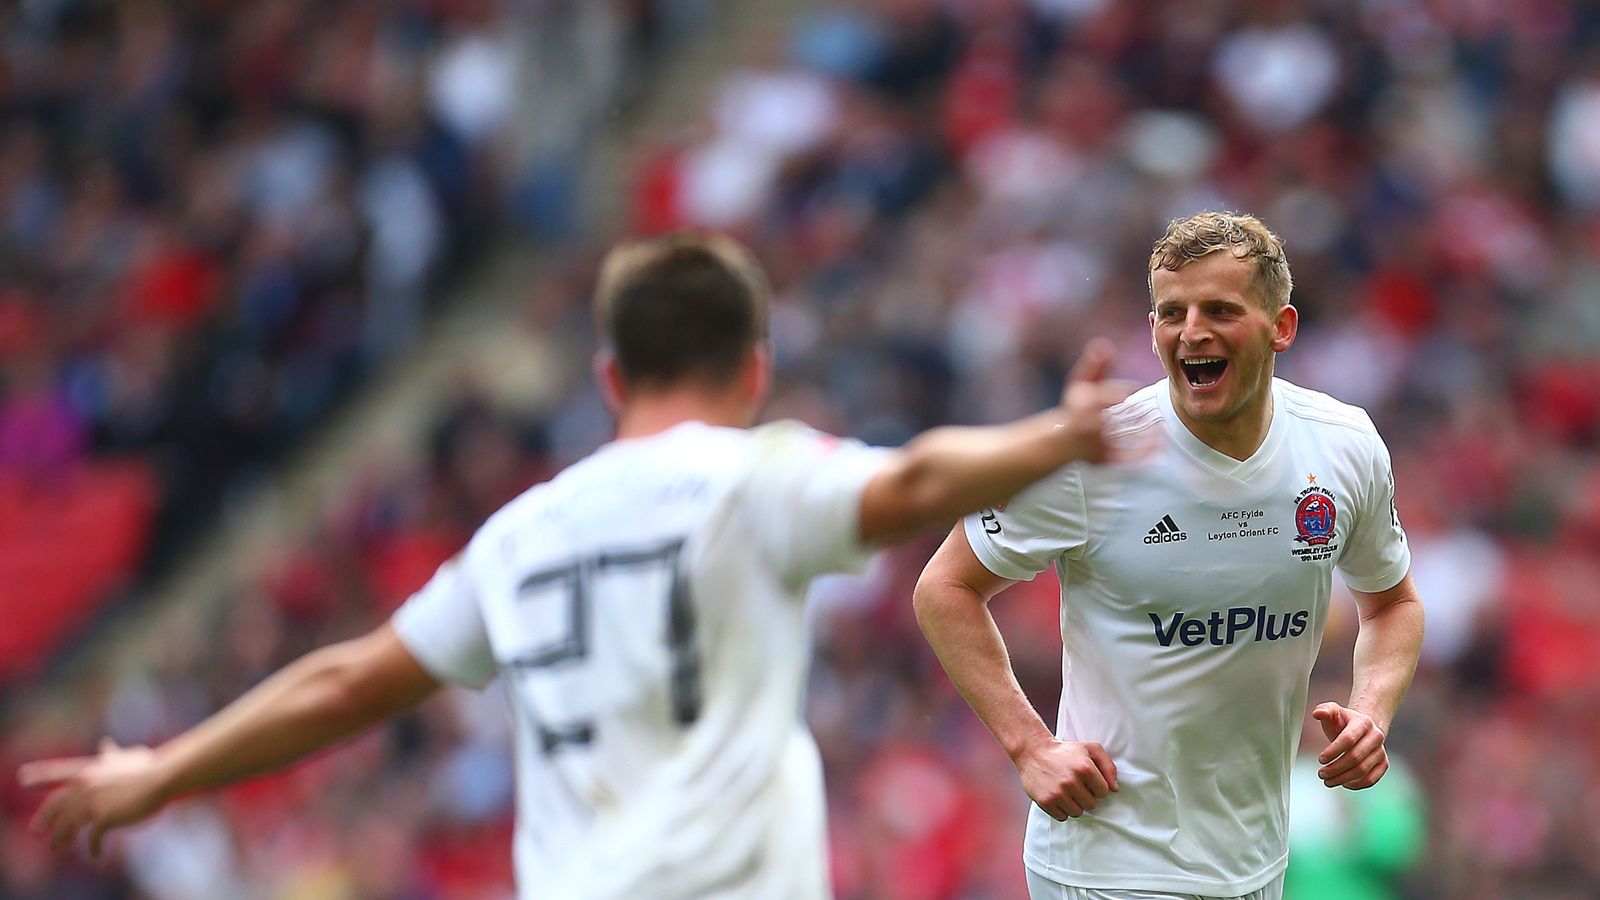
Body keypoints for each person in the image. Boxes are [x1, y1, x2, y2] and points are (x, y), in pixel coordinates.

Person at [20, 231, 1133, 899]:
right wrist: (1050, 437)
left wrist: (162, 773)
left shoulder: (521, 534)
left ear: (609, 377)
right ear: (753, 369)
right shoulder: (750, 480)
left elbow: (345, 680)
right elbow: (910, 481)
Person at [913, 211, 1425, 900]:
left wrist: (1373, 710)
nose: (1191, 332)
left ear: (1282, 327)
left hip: (1256, 861)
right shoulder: (1094, 453)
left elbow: (1393, 601)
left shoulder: (1342, 446)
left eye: (1219, 309)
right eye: (1170, 313)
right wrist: (1029, 746)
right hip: (1108, 860)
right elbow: (944, 587)